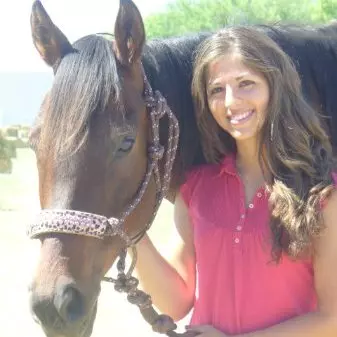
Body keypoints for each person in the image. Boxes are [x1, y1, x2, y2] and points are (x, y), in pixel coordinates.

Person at [133, 26, 337, 337]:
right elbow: (175, 302)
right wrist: (131, 234)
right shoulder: (196, 187)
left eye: (246, 84)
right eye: (217, 90)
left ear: (276, 87)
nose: (231, 101)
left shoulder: (323, 193)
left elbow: (331, 319)